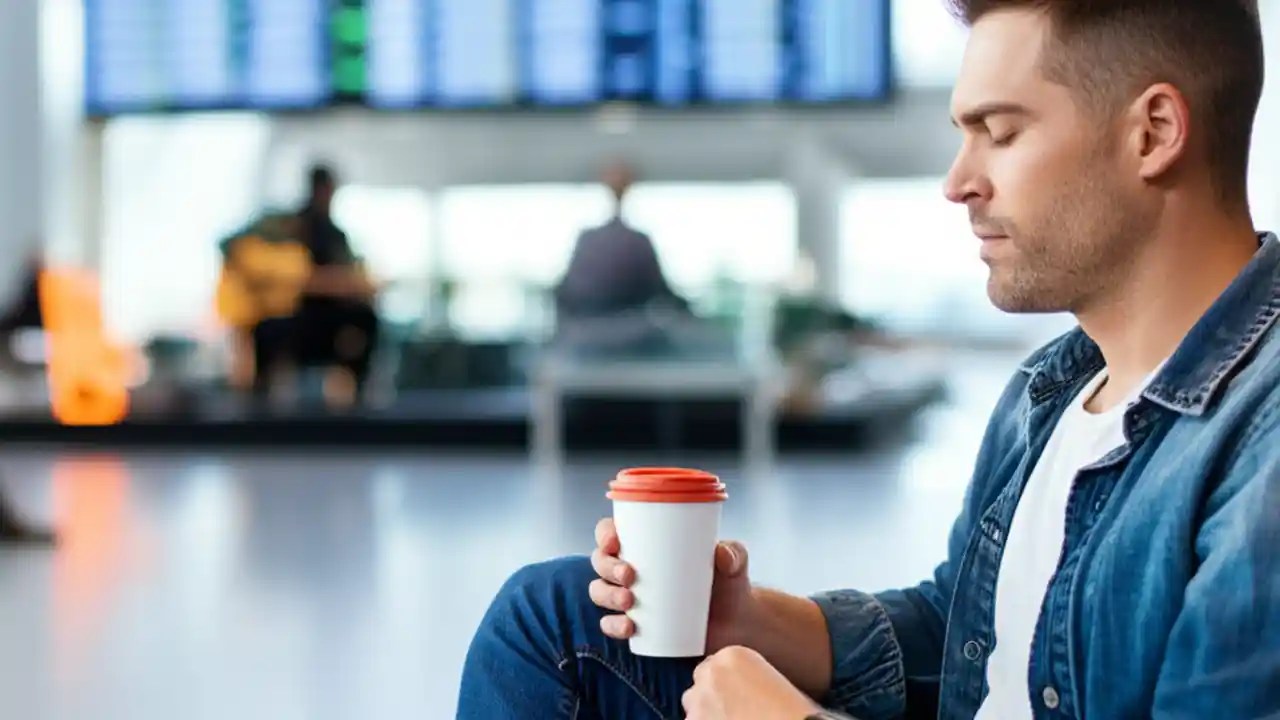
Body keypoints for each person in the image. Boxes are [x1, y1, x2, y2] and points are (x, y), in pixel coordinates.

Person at [459, 0, 1279, 718]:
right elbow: (965, 632)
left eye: (999, 133)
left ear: (1154, 132)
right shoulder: (1054, 392)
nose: (958, 182)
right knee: (551, 617)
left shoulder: (1260, 449)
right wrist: (750, 621)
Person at [251, 164, 380, 407]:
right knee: (265, 330)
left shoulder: (334, 233)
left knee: (366, 319)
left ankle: (356, 400)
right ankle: (259, 406)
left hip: (330, 315)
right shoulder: (294, 227)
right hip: (299, 313)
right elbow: (294, 275)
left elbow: (344, 273)